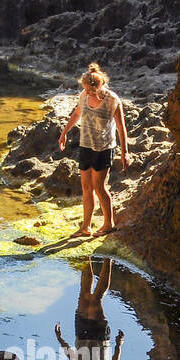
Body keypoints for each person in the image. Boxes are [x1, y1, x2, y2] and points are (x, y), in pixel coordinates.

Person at [57, 62, 130, 237]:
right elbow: (77, 113)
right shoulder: (84, 95)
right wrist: (64, 132)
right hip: (86, 145)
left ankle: (108, 224)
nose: (86, 93)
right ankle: (86, 227)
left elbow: (121, 127)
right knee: (86, 186)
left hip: (104, 147)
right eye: (85, 90)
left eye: (89, 90)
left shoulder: (112, 100)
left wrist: (125, 152)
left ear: (99, 86)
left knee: (99, 186)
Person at [54, 257, 124, 360]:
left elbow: (72, 358)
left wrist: (61, 340)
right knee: (96, 299)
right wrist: (119, 345)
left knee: (84, 293)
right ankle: (108, 259)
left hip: (81, 335)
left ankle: (87, 256)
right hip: (99, 338)